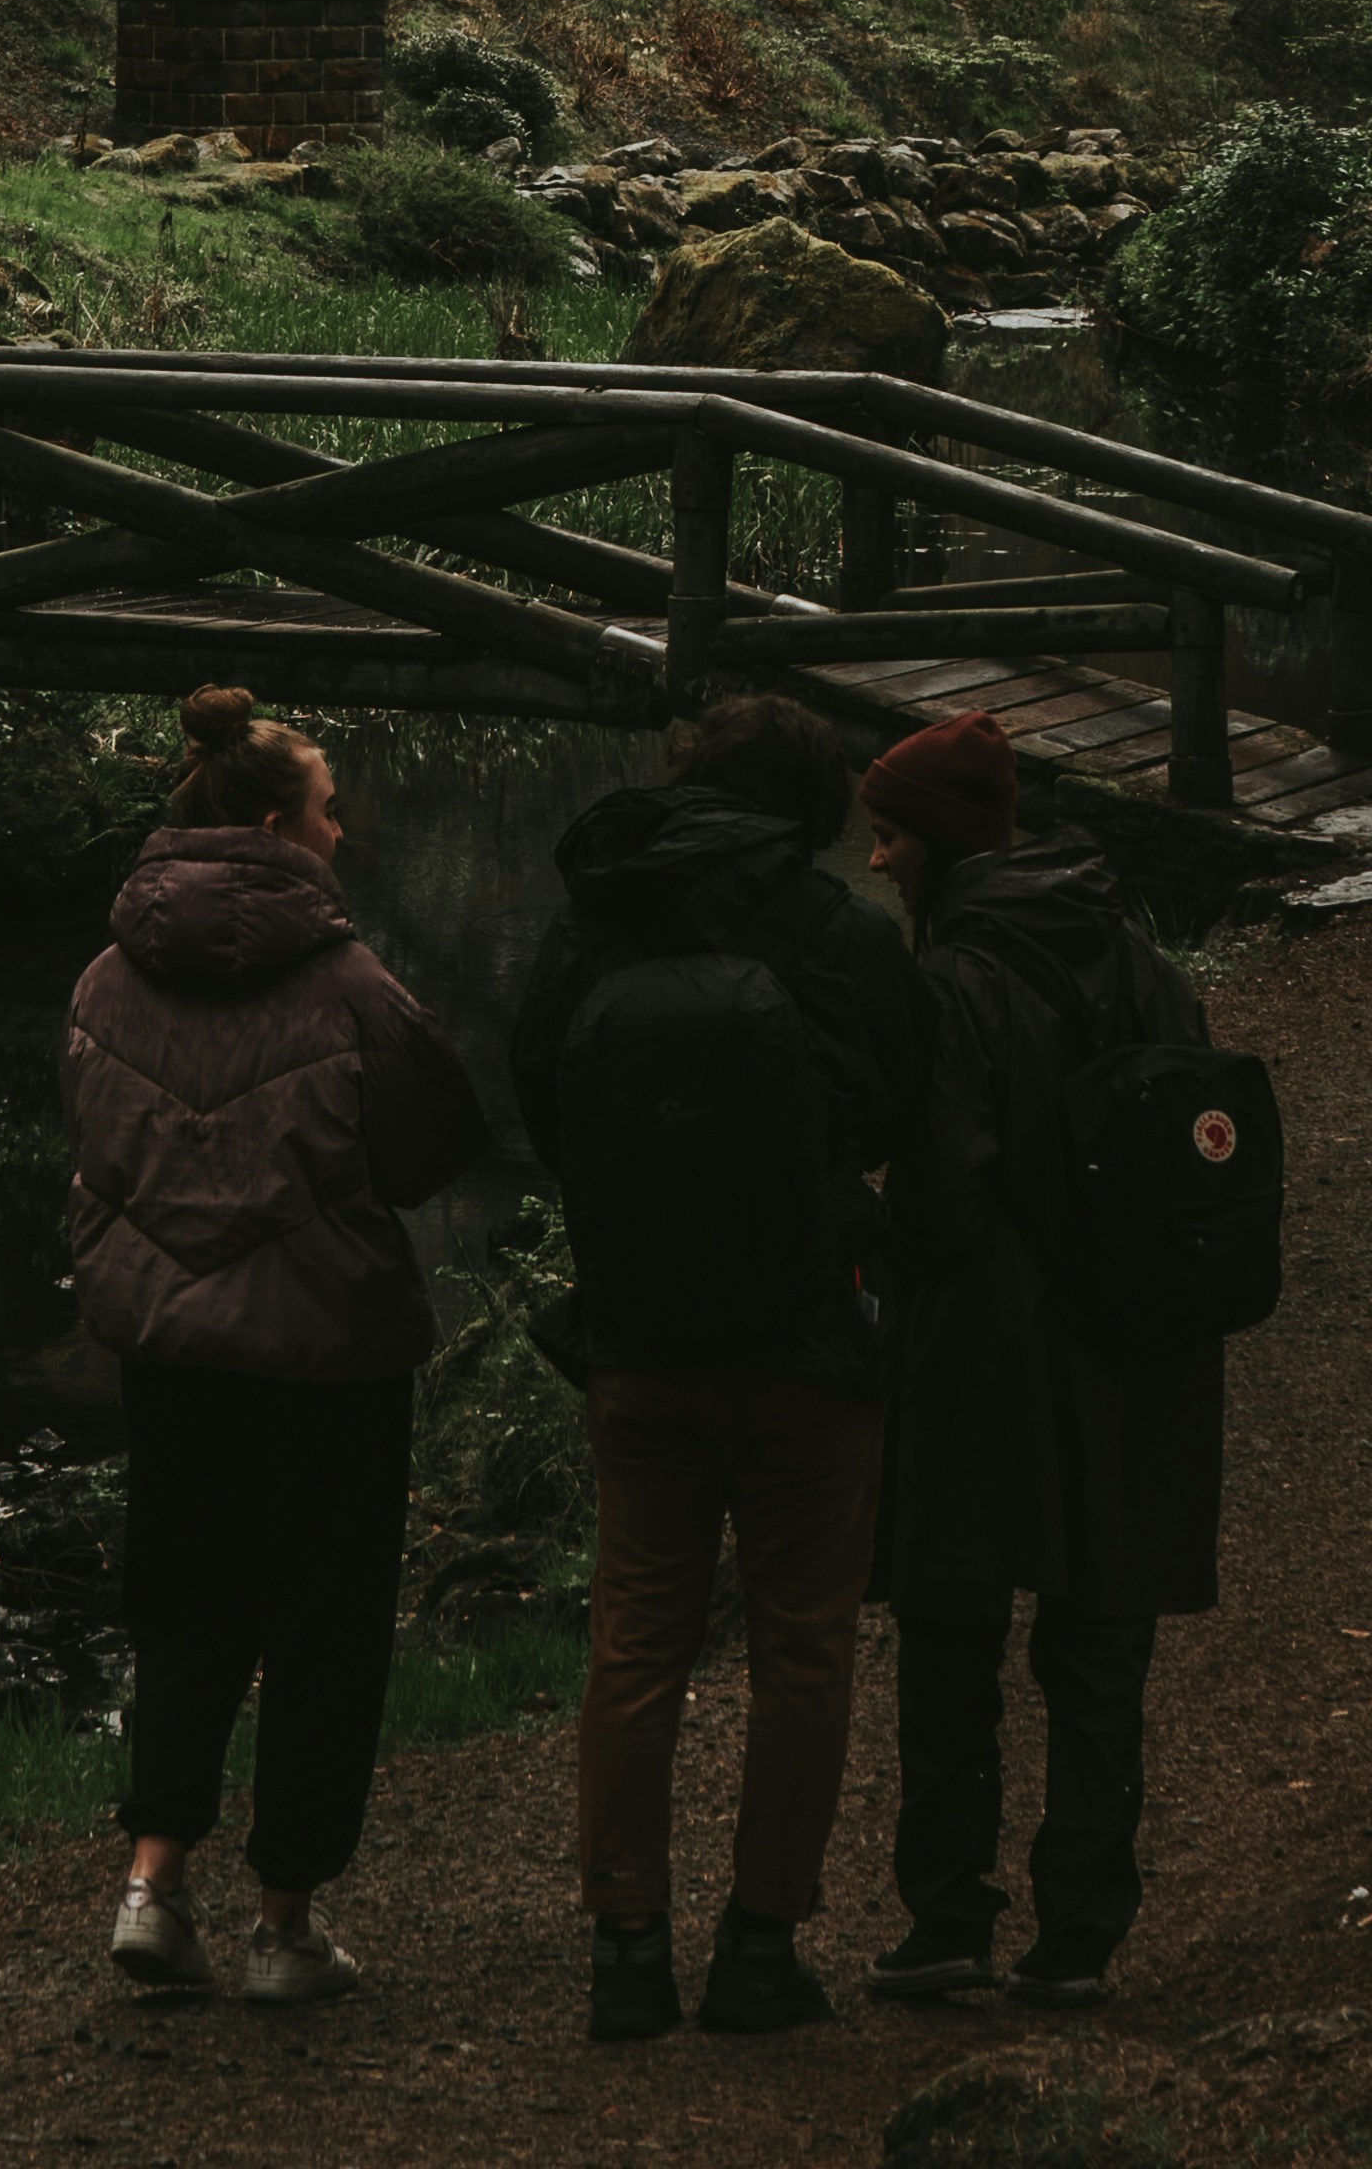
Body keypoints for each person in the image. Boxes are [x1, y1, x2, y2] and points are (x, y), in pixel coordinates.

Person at [63, 682, 489, 2011]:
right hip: (322, 1353)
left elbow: (93, 1146)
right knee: (322, 1626)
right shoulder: (356, 988)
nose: (343, 830)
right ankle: (284, 1923)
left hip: (168, 1350)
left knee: (183, 1604)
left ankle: (152, 1881)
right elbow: (431, 1154)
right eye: (326, 807)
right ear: (271, 827)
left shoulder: (99, 977)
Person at [511, 690, 927, 2044]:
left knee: (636, 1639)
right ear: (812, 808)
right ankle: (758, 1949)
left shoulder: (593, 925)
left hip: (637, 1338)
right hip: (809, 1340)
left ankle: (626, 1949)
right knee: (802, 1649)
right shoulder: (846, 939)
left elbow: (541, 1106)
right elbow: (901, 1106)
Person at [858, 710, 1225, 2015]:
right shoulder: (1139, 960)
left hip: (986, 1353)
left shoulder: (949, 981)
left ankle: (947, 1918)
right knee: (1098, 1637)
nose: (876, 863)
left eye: (890, 836)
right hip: (1135, 1340)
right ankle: (1078, 1934)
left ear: (943, 843)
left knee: (952, 1627)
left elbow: (941, 1198)